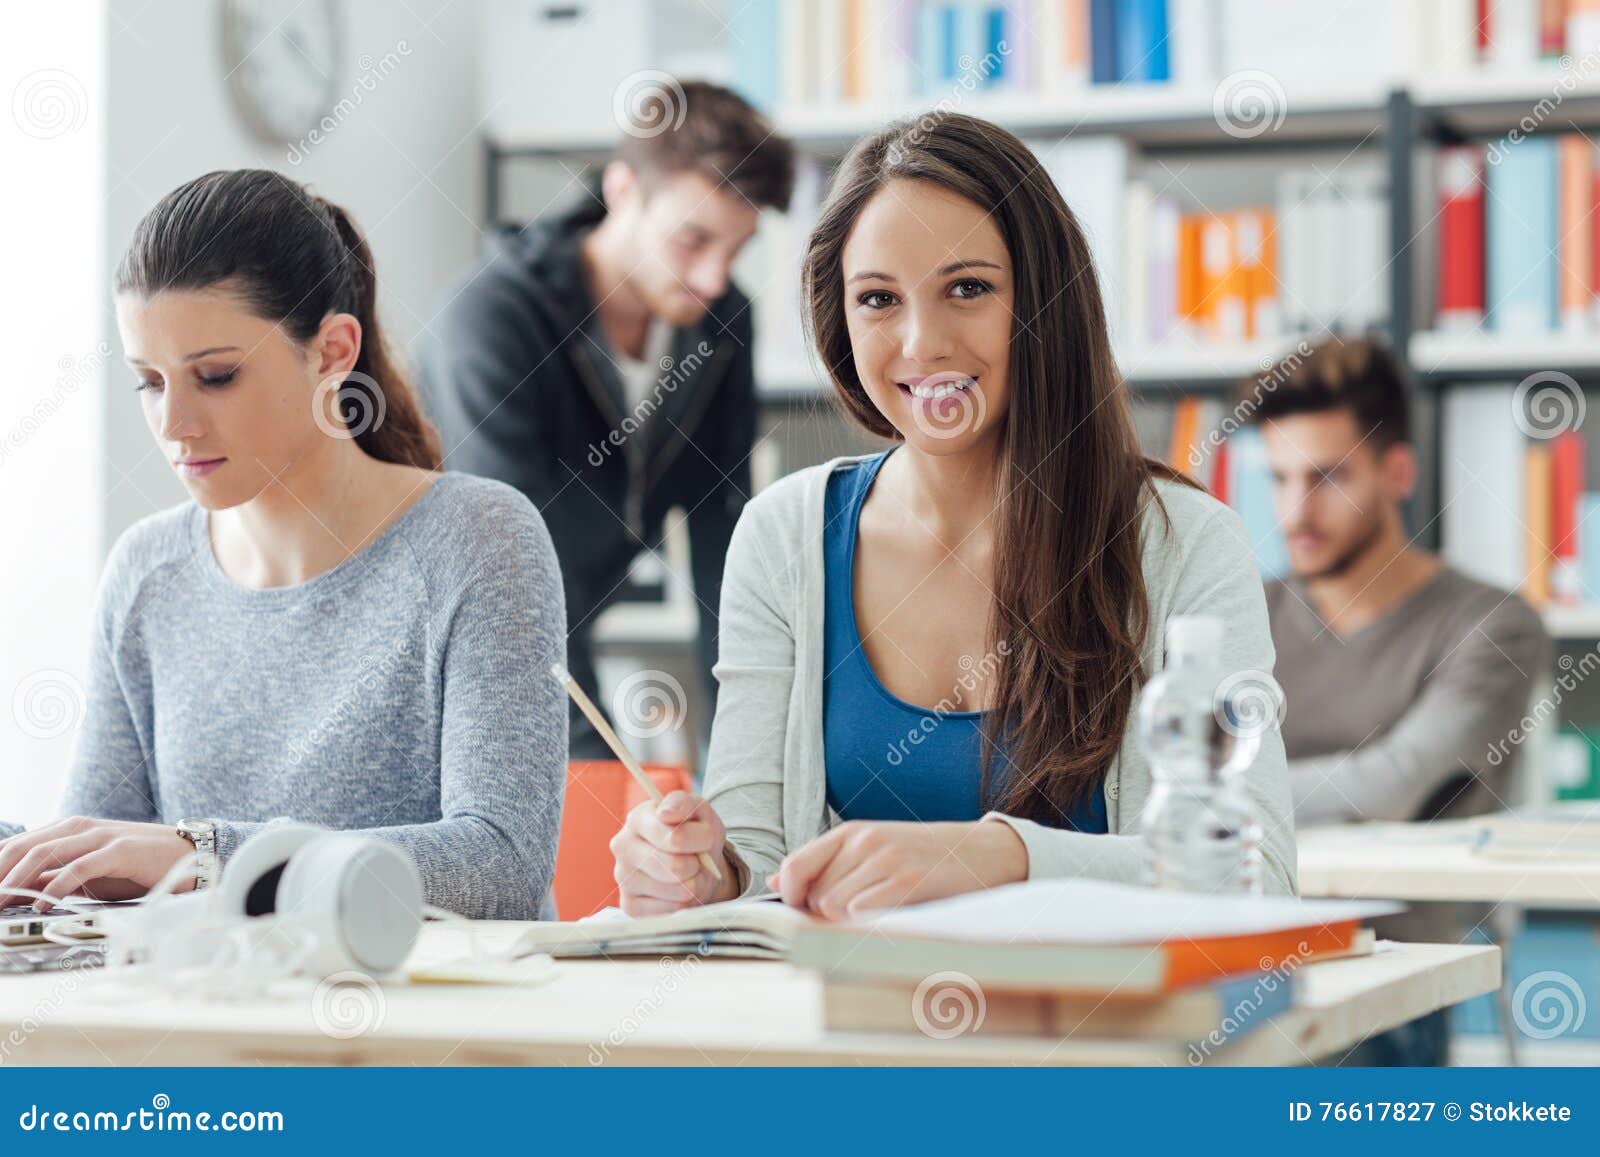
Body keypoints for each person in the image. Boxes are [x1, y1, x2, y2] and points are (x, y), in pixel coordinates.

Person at [607, 112, 1298, 918]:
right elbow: (757, 859)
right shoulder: (786, 536)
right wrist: (698, 874)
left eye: (967, 288)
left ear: (1044, 303)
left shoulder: (1183, 544)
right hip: (854, 1030)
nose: (922, 341)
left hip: (1092, 1034)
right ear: (840, 322)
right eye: (877, 299)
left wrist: (994, 855)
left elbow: (1256, 875)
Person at [0, 170, 567, 921]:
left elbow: (500, 867)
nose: (175, 424)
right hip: (200, 1026)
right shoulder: (146, 571)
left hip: (417, 1030)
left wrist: (206, 855)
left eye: (217, 375)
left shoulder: (477, 540)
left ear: (333, 351)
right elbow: (93, 864)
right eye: (149, 382)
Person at [418, 79, 795, 758]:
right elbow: (514, 586)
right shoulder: (491, 322)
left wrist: (745, 761)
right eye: (692, 240)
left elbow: (722, 544)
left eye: (735, 250)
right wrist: (607, 773)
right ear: (623, 190)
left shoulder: (721, 323)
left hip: (569, 618)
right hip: (443, 648)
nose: (714, 277)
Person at [1238, 336, 1550, 1065]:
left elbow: (1396, 781)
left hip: (1384, 968)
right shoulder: (1245, 613)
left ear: (1397, 472)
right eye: (1279, 479)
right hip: (1230, 945)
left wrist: (1225, 793)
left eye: (1326, 477)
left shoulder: (1493, 625)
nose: (1294, 511)